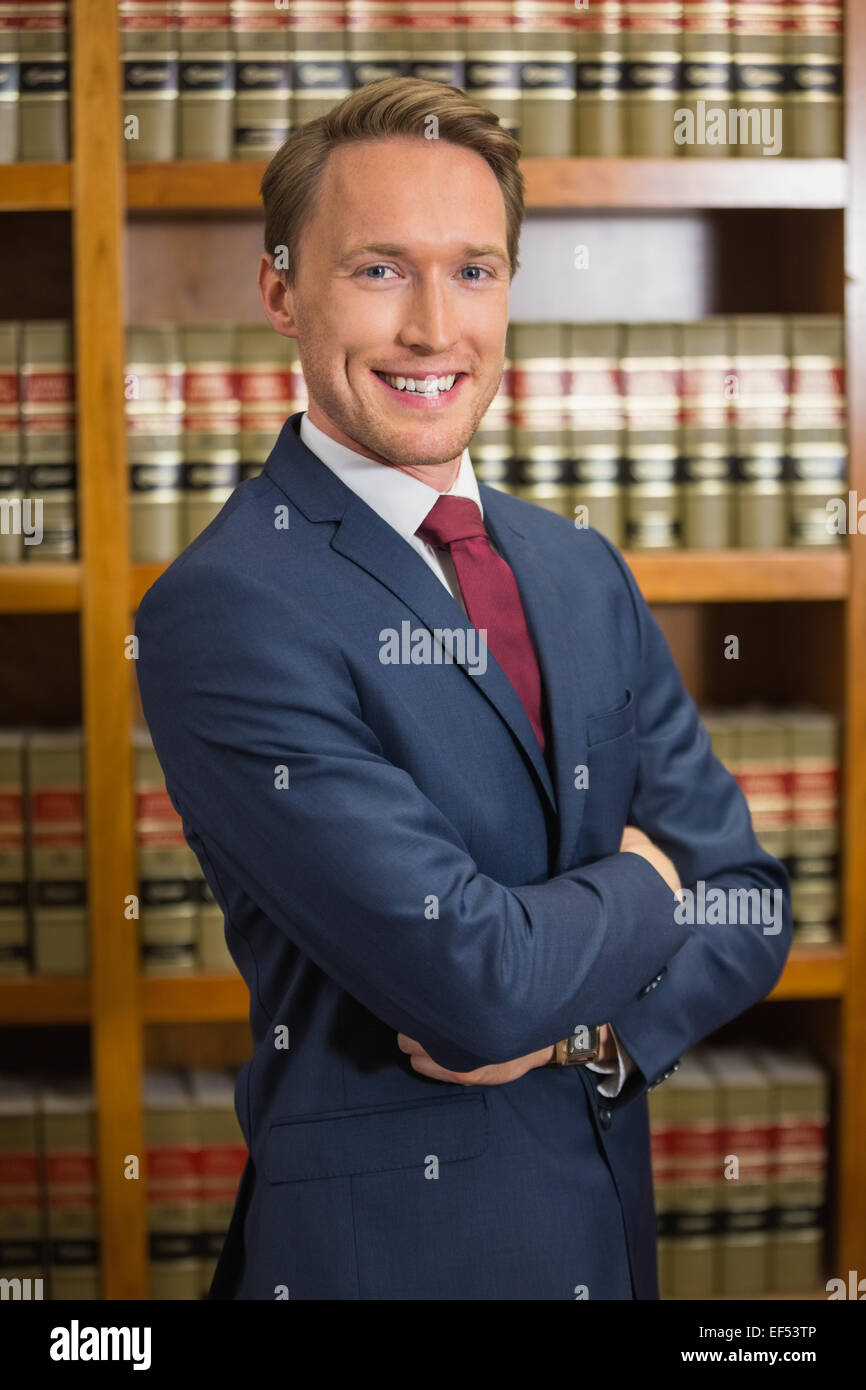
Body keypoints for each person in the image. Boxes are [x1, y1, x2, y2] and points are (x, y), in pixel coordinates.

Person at [135, 77, 791, 1301]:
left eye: (474, 271)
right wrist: (651, 883)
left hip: (607, 1248)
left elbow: (750, 903)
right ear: (280, 290)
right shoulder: (227, 609)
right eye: (378, 270)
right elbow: (472, 982)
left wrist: (587, 1030)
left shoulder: (577, 565)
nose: (435, 328)